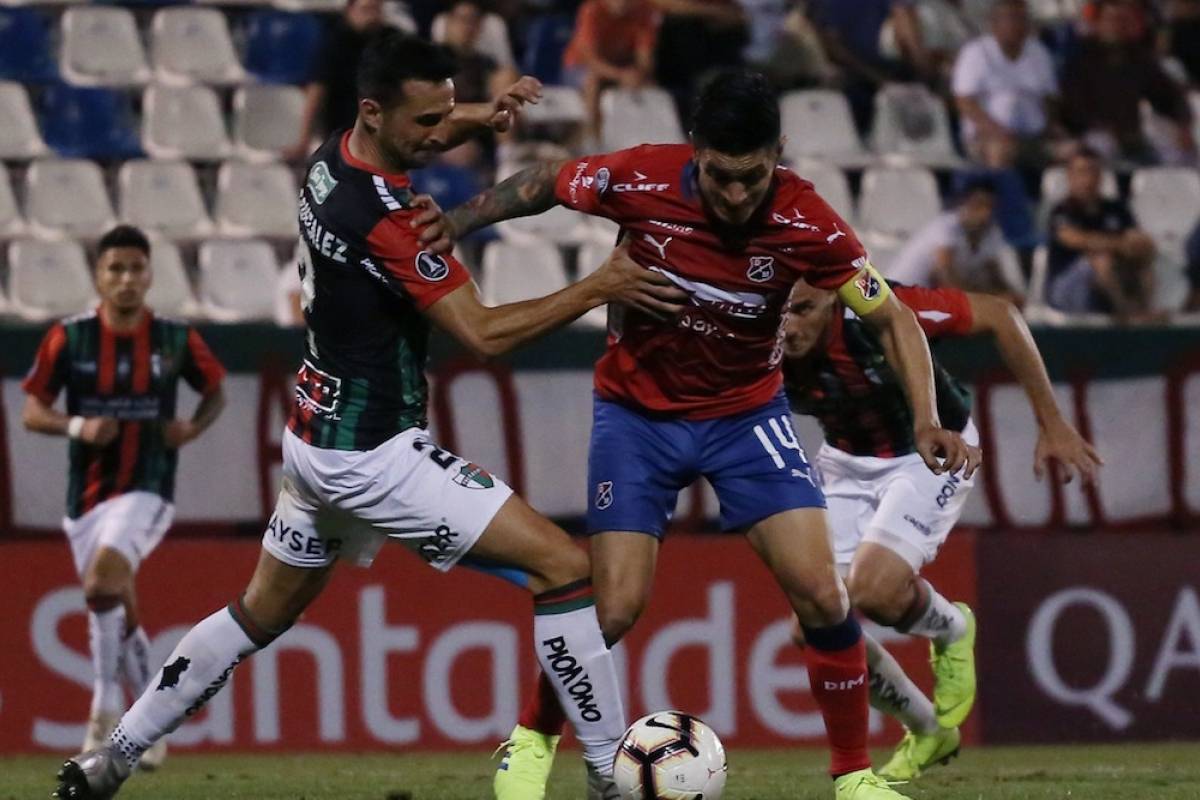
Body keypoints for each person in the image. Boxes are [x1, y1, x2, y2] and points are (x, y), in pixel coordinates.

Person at [53, 32, 688, 800]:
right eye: (427, 123)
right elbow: (482, 335)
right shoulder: (388, 219)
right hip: (375, 453)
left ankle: (111, 758)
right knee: (565, 569)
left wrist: (483, 115)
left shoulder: (332, 160)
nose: (437, 138)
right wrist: (599, 286)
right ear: (374, 112)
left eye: (443, 116)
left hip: (314, 435)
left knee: (257, 613)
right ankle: (610, 776)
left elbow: (421, 126)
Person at [445, 68, 979, 800]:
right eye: (722, 177)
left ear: (778, 153)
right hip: (637, 418)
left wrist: (924, 418)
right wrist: (459, 221)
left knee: (824, 597)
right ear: (695, 149)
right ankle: (532, 737)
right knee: (614, 607)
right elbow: (542, 180)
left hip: (745, 419)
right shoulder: (638, 178)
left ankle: (854, 778)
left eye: (753, 176)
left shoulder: (810, 222)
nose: (737, 194)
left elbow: (891, 316)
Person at [780, 278, 1102, 781]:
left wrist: (1052, 422)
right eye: (781, 312)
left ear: (831, 301)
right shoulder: (757, 337)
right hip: (845, 462)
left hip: (931, 453)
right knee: (812, 627)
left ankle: (951, 628)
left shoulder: (881, 310)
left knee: (875, 590)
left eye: (802, 310)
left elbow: (1000, 313)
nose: (789, 326)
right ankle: (928, 729)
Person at [24, 225, 227, 774]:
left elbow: (215, 389)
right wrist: (78, 427)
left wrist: (192, 429)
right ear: (98, 276)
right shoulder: (69, 338)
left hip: (148, 488)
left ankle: (102, 709)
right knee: (114, 596)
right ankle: (151, 716)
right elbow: (32, 410)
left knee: (98, 584)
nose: (126, 279)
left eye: (136, 269)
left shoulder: (175, 339)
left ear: (150, 275)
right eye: (115, 269)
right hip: (85, 499)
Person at [1060, 0, 1195, 165]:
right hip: (1096, 136)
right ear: (1097, 23)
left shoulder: (1139, 58)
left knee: (1180, 149)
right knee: (1101, 143)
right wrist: (1103, 127)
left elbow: (1168, 96)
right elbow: (1074, 109)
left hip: (1136, 135)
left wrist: (1182, 124)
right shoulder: (1080, 61)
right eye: (1110, 20)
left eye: (1121, 20)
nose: (1116, 26)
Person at [1046, 148, 1158, 319]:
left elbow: (1139, 240)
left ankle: (1145, 311)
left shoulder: (1117, 209)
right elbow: (1074, 239)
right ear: (1070, 176)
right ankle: (1128, 313)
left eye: (1093, 171)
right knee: (1101, 260)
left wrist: (1138, 246)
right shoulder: (1062, 210)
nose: (1088, 178)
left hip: (1109, 281)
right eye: (1081, 171)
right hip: (1067, 286)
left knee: (1142, 262)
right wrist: (1120, 244)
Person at [951, 0, 1061, 169]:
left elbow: (1050, 99)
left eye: (1021, 19)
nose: (1016, 24)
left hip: (1034, 136)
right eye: (1010, 18)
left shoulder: (1039, 53)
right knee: (1001, 151)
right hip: (988, 136)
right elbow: (964, 102)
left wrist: (1049, 128)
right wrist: (997, 131)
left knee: (1074, 153)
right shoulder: (976, 52)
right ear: (994, 23)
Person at [885, 177, 1026, 305]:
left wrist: (1010, 295)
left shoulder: (990, 233)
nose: (985, 213)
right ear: (964, 204)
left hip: (929, 301)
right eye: (979, 205)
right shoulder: (945, 228)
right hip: (901, 299)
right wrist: (994, 298)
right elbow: (945, 280)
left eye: (990, 207)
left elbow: (995, 277)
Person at [285, 0, 392, 162]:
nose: (372, 16)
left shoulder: (390, 41)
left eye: (376, 10)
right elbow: (317, 91)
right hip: (342, 133)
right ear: (350, 10)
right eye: (366, 10)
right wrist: (303, 140)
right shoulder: (334, 42)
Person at [562, 0, 661, 141]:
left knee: (651, 87)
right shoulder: (592, 10)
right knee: (592, 81)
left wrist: (639, 74)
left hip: (619, 67)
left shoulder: (644, 11)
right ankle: (592, 138)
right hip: (580, 67)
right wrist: (620, 75)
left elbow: (645, 57)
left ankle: (647, 142)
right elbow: (589, 59)